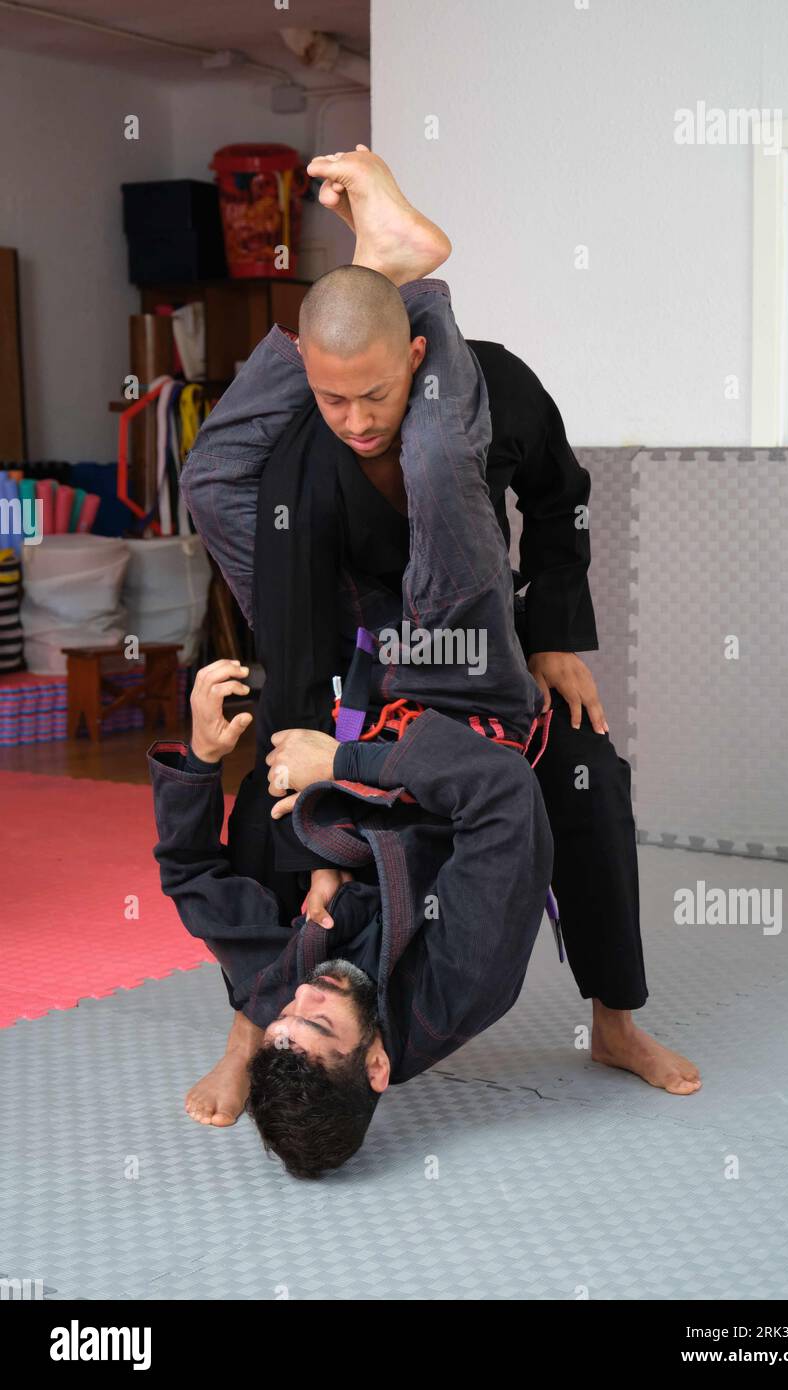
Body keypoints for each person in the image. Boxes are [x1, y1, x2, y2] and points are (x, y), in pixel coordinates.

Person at [178, 146, 701, 1111]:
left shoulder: (494, 391)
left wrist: (553, 634)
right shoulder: (313, 423)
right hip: (348, 641)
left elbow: (563, 503)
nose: (356, 419)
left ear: (416, 354)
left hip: (472, 641)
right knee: (274, 785)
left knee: (587, 771)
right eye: (333, 395)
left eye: (373, 395)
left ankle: (616, 1019)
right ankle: (250, 1030)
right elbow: (224, 477)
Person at [149, 255, 555, 1179]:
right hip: (462, 688)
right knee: (437, 457)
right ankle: (422, 288)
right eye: (320, 1019)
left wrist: (201, 760)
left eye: (280, 1014)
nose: (307, 991)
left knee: (213, 484)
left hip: (363, 659)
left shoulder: (285, 987)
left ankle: (363, 282)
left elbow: (187, 876)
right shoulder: (465, 981)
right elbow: (496, 794)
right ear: (378, 1062)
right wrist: (346, 764)